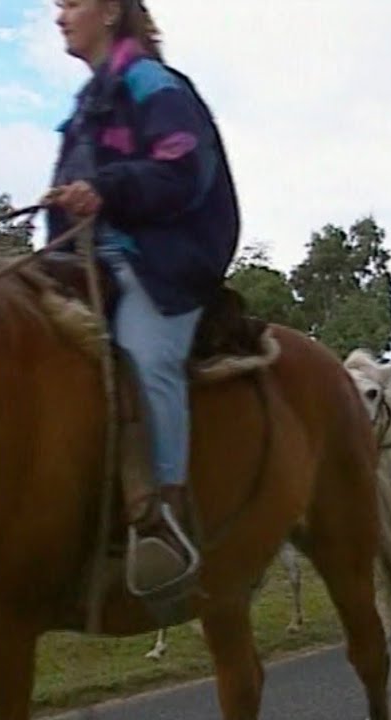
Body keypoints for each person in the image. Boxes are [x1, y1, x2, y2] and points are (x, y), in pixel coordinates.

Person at [45, 0, 240, 592]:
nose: (60, 16)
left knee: (144, 357)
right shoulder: (83, 108)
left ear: (109, 12)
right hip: (87, 259)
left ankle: (163, 519)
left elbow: (184, 173)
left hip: (160, 261)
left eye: (72, 3)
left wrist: (103, 188)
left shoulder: (153, 84)